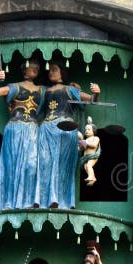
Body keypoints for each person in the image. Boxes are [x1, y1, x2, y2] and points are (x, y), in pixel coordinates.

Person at [36, 61, 100, 208]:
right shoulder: (45, 91)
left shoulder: (70, 89)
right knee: (45, 163)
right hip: (46, 129)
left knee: (64, 165)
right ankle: (46, 199)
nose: (50, 72)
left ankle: (64, 200)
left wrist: (96, 93)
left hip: (65, 128)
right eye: (49, 70)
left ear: (62, 73)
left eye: (54, 69)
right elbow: (37, 111)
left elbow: (90, 99)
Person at [0, 60, 45, 210]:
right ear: (24, 70)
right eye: (31, 66)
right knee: (11, 164)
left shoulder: (43, 90)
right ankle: (9, 202)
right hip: (15, 128)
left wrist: (72, 86)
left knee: (31, 165)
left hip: (33, 129)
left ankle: (27, 200)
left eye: (37, 67)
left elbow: (58, 97)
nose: (35, 68)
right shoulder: (14, 87)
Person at [78, 117, 101, 186]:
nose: (86, 131)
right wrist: (79, 147)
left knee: (89, 165)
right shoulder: (86, 139)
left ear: (93, 131)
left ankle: (91, 177)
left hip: (93, 156)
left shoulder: (95, 138)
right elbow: (82, 148)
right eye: (85, 130)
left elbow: (94, 145)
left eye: (89, 129)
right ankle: (93, 178)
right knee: (86, 166)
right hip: (86, 157)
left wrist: (86, 142)